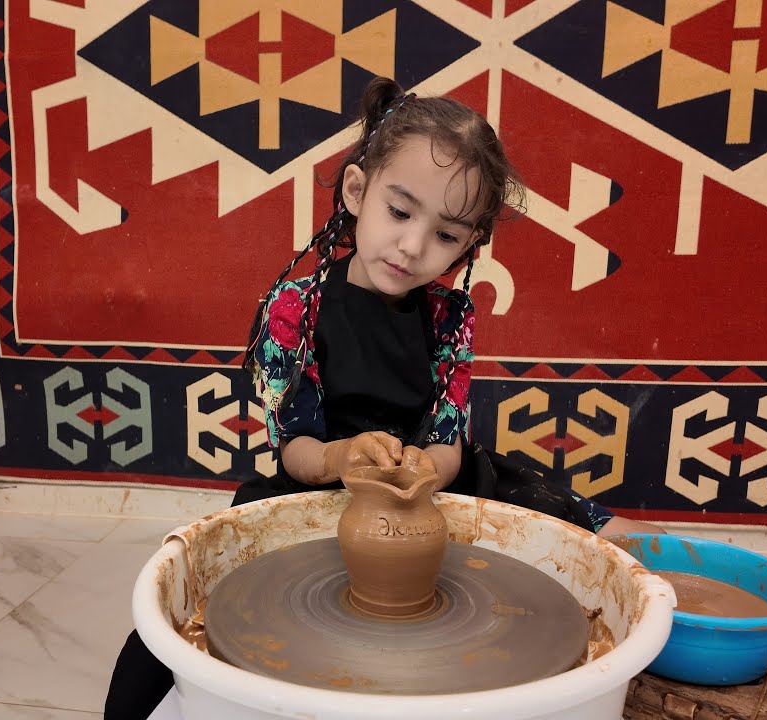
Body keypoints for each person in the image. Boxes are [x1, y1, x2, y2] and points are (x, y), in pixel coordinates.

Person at [104, 76, 661, 719]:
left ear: (470, 245)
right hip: (318, 475)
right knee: (185, 594)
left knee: (576, 526)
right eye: (400, 212)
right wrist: (347, 462)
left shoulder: (450, 316)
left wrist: (422, 469)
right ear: (357, 191)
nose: (414, 247)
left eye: (448, 235)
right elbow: (297, 448)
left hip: (428, 478)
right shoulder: (295, 308)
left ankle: (660, 592)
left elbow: (448, 439)